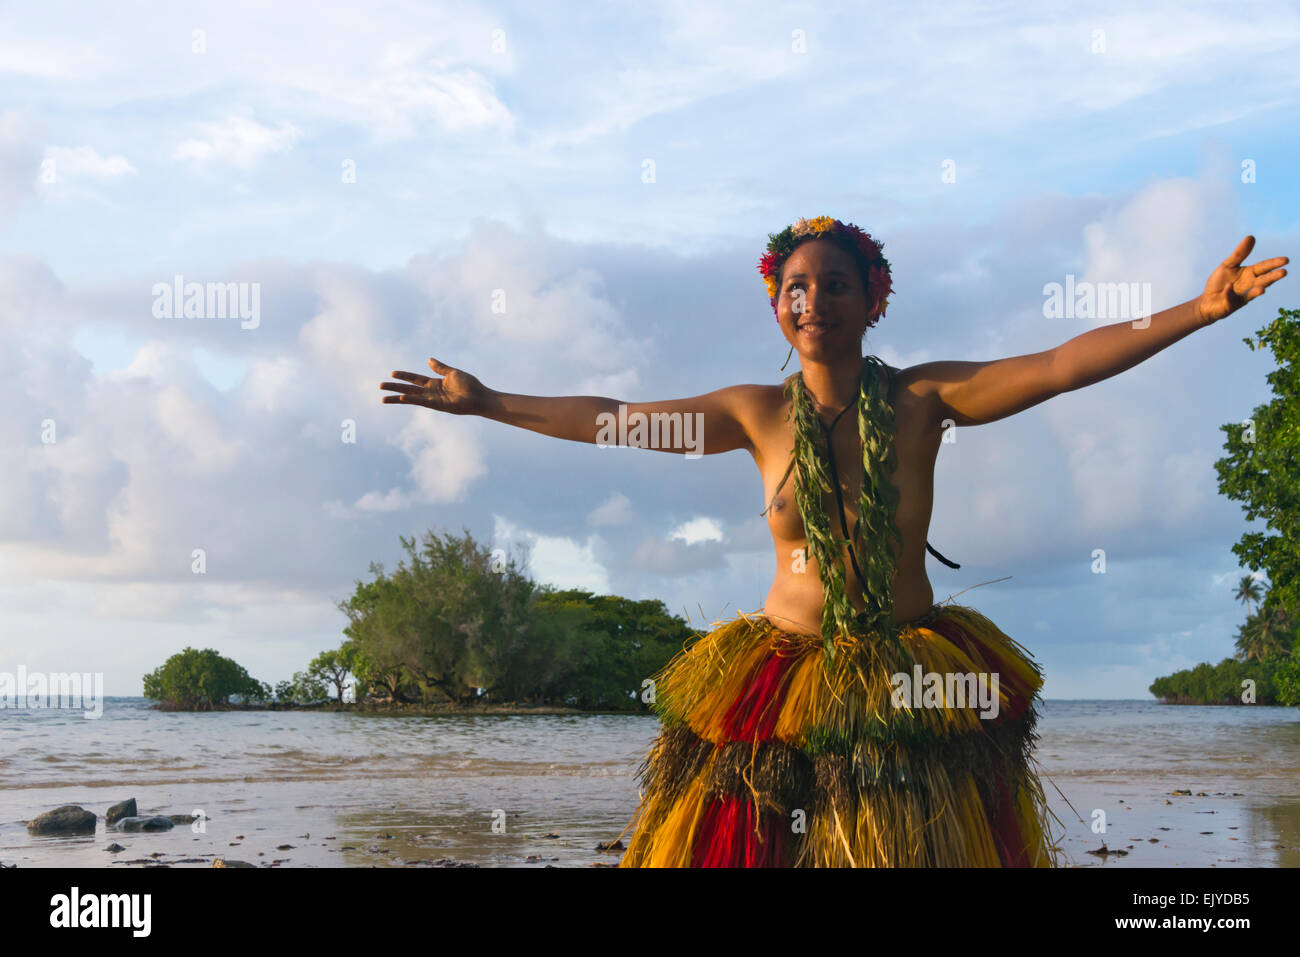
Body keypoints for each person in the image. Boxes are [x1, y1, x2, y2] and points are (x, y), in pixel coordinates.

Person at [380, 218, 1287, 867]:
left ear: (872, 299)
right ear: (779, 305)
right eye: (795, 289)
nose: (814, 301)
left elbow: (1056, 367)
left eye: (835, 284)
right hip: (778, 674)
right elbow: (620, 423)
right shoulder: (756, 413)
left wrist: (1195, 313)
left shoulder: (926, 399)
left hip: (908, 670)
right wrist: (491, 403)